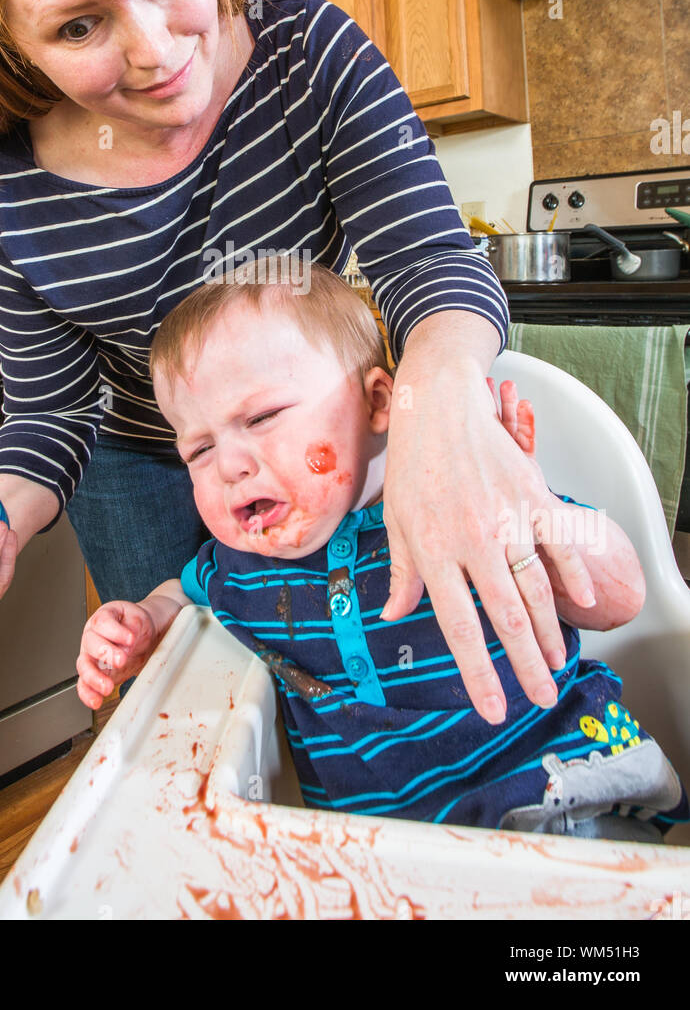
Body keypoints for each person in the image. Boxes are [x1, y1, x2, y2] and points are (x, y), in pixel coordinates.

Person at [0, 0, 593, 726]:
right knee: (200, 706)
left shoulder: (312, 58)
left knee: (356, 683)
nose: (157, 50)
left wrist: (440, 402)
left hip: (305, 427)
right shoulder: (18, 201)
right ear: (11, 48)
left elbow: (428, 263)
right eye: (80, 25)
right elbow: (50, 420)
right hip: (135, 462)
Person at [77, 260, 689, 839]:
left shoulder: (457, 503)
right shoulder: (240, 566)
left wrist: (530, 514)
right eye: (200, 450)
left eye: (261, 417)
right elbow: (182, 594)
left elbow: (624, 595)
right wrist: (143, 623)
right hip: (386, 859)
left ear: (377, 402)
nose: (230, 465)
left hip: (570, 802)